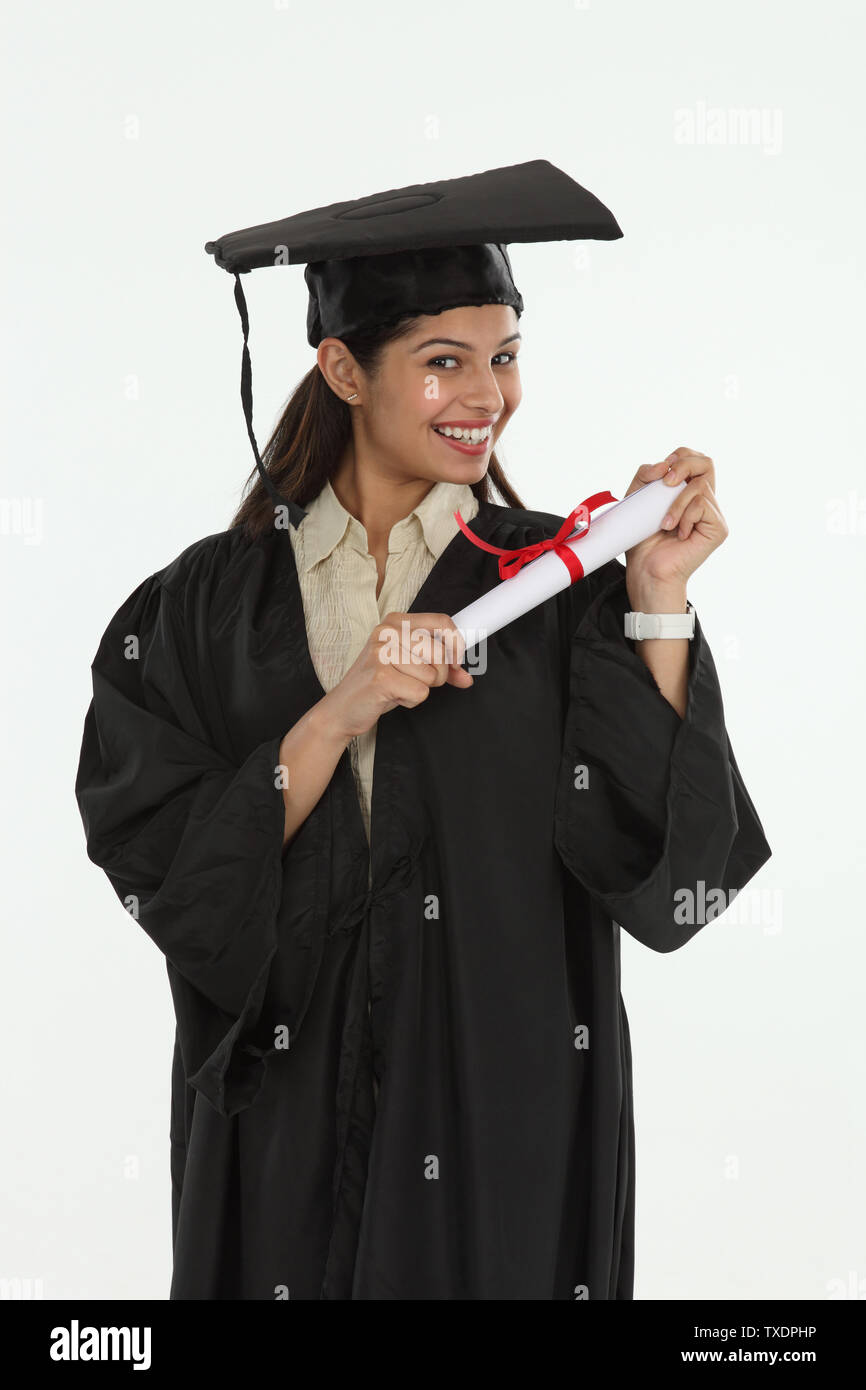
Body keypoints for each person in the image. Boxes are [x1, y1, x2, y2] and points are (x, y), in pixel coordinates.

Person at [75, 161, 772, 1300]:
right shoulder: (202, 605)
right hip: (283, 1096)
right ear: (342, 368)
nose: (484, 396)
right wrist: (342, 707)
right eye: (442, 361)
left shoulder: (556, 585)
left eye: (503, 357)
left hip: (501, 1097)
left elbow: (670, 875)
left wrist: (655, 594)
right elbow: (172, 873)